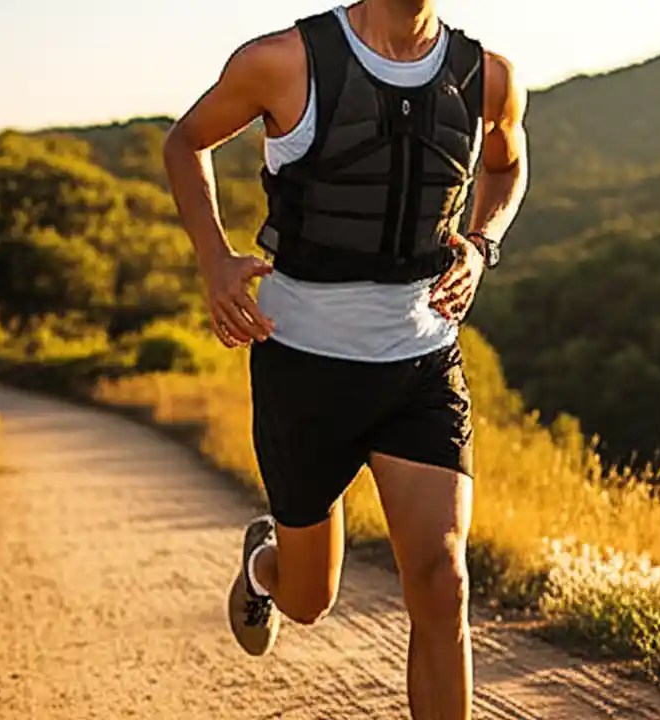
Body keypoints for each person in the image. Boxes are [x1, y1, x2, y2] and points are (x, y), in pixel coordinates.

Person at [162, 0, 527, 716]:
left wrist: (482, 246)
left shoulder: (488, 78)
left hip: (421, 362)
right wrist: (214, 261)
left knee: (443, 583)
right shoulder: (283, 61)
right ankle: (265, 571)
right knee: (308, 599)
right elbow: (186, 142)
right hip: (303, 365)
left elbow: (507, 165)